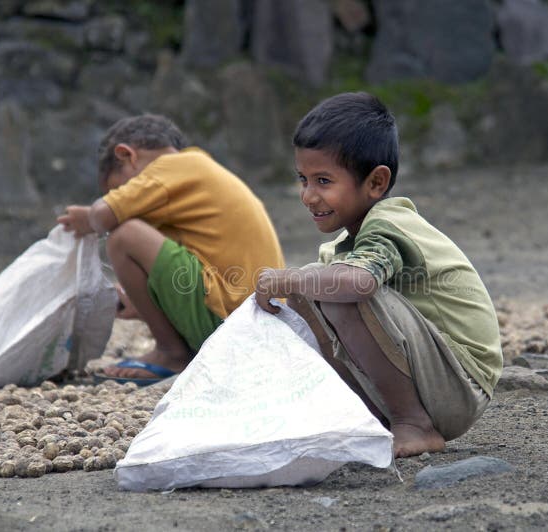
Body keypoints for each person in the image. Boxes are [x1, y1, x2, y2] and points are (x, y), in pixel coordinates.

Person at [255, 93, 502, 457]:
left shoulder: (388, 224)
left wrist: (290, 278)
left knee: (340, 286)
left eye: (323, 181)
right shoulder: (347, 243)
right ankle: (370, 416)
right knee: (311, 287)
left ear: (375, 183)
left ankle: (414, 423)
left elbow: (359, 283)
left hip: (461, 383)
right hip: (434, 380)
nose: (308, 196)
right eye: (303, 179)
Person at [58, 114, 285, 384]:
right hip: (258, 326)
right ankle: (176, 350)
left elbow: (104, 216)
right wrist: (142, 304)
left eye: (117, 190)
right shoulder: (194, 172)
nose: (123, 200)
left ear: (126, 155)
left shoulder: (171, 166)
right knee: (133, 233)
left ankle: (171, 354)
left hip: (233, 322)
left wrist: (89, 218)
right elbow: (185, 261)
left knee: (124, 235)